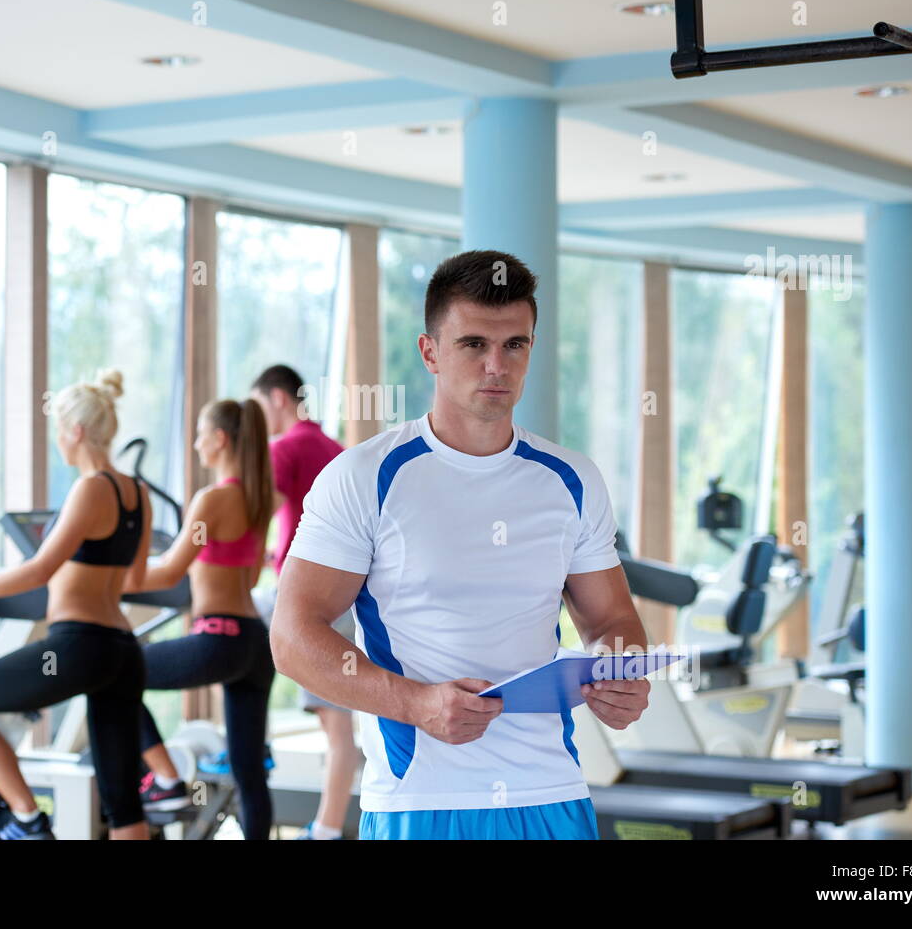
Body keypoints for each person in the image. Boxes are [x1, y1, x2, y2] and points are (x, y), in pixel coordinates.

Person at [270, 250, 652, 841]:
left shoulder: (572, 479)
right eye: (473, 344)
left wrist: (620, 671)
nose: (496, 366)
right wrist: (415, 703)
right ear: (430, 352)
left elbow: (612, 617)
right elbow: (293, 637)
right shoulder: (366, 476)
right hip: (422, 802)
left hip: (551, 794)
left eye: (515, 345)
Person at [0, 369, 151, 840]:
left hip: (79, 646)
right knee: (124, 804)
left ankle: (27, 820)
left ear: (76, 431)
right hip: (123, 652)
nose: (59, 444)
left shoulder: (90, 488)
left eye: (59, 432)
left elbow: (39, 571)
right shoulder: (137, 493)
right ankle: (29, 820)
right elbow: (137, 578)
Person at [123, 398, 277, 840]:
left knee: (114, 670)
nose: (194, 444)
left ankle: (167, 779)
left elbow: (170, 570)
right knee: (249, 772)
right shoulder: (257, 500)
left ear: (220, 439)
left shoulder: (211, 500)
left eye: (199, 433)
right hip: (253, 642)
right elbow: (246, 576)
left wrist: (106, 579)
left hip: (218, 639)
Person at [249, 364, 355, 841]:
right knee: (338, 724)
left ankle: (249, 744)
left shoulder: (284, 447)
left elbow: (253, 517)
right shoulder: (335, 448)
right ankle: (328, 828)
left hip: (302, 596)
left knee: (228, 630)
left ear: (277, 399)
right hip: (348, 596)